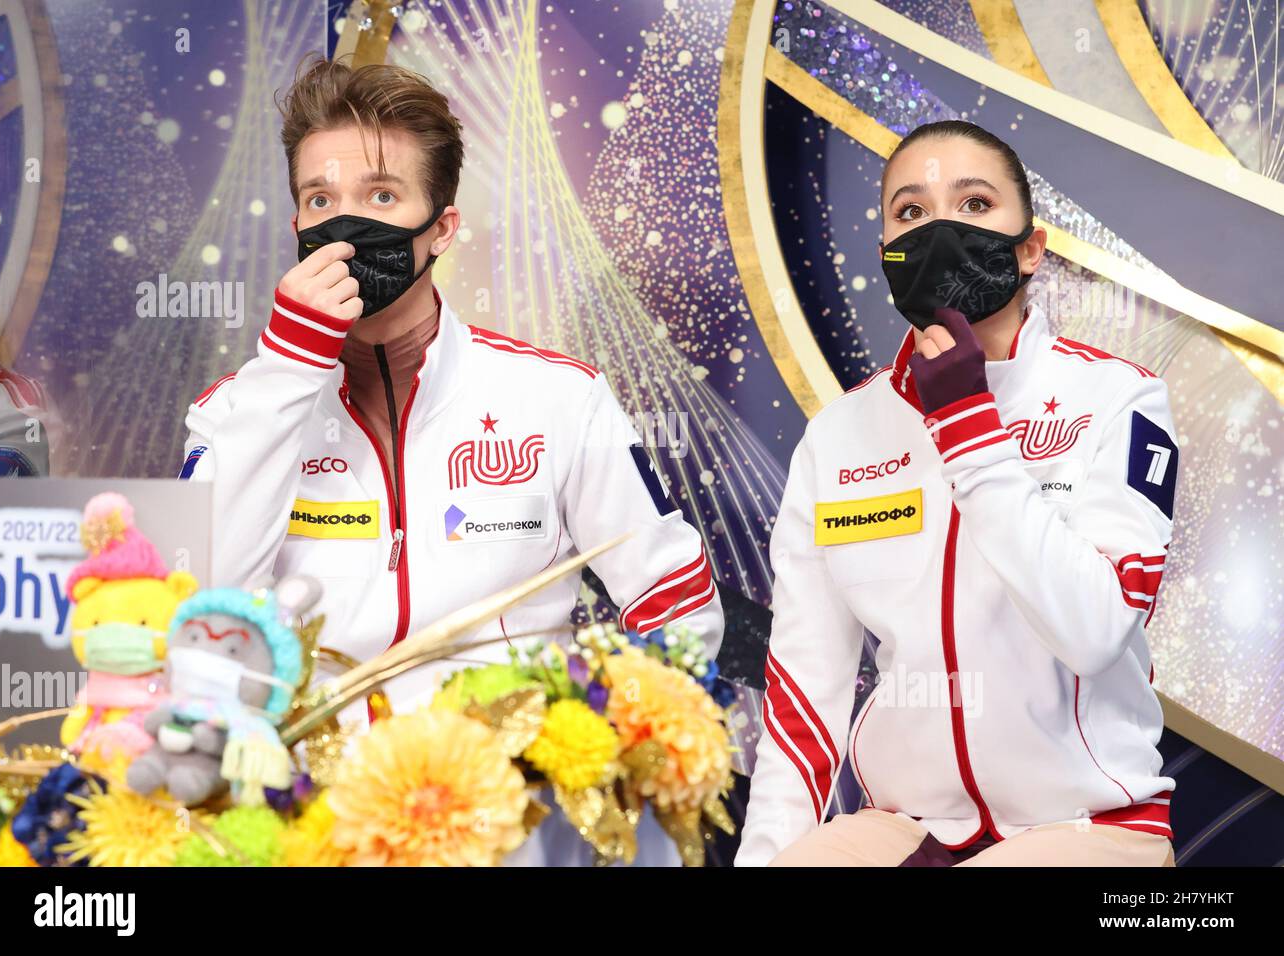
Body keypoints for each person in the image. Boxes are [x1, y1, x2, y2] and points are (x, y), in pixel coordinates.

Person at [178, 56, 722, 727]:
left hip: (508, 808)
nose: (344, 227)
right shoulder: (234, 410)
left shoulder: (557, 396)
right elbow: (202, 614)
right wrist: (290, 365)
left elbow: (675, 607)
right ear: (296, 228)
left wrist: (591, 758)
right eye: (320, 200)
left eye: (380, 197)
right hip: (311, 810)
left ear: (442, 226)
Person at [737, 120, 1179, 867]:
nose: (940, 228)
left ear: (1031, 248)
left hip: (1087, 824)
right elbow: (807, 681)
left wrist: (969, 427)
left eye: (973, 204)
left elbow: (1099, 631)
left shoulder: (1117, 398)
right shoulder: (840, 435)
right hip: (905, 825)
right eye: (911, 213)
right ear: (886, 257)